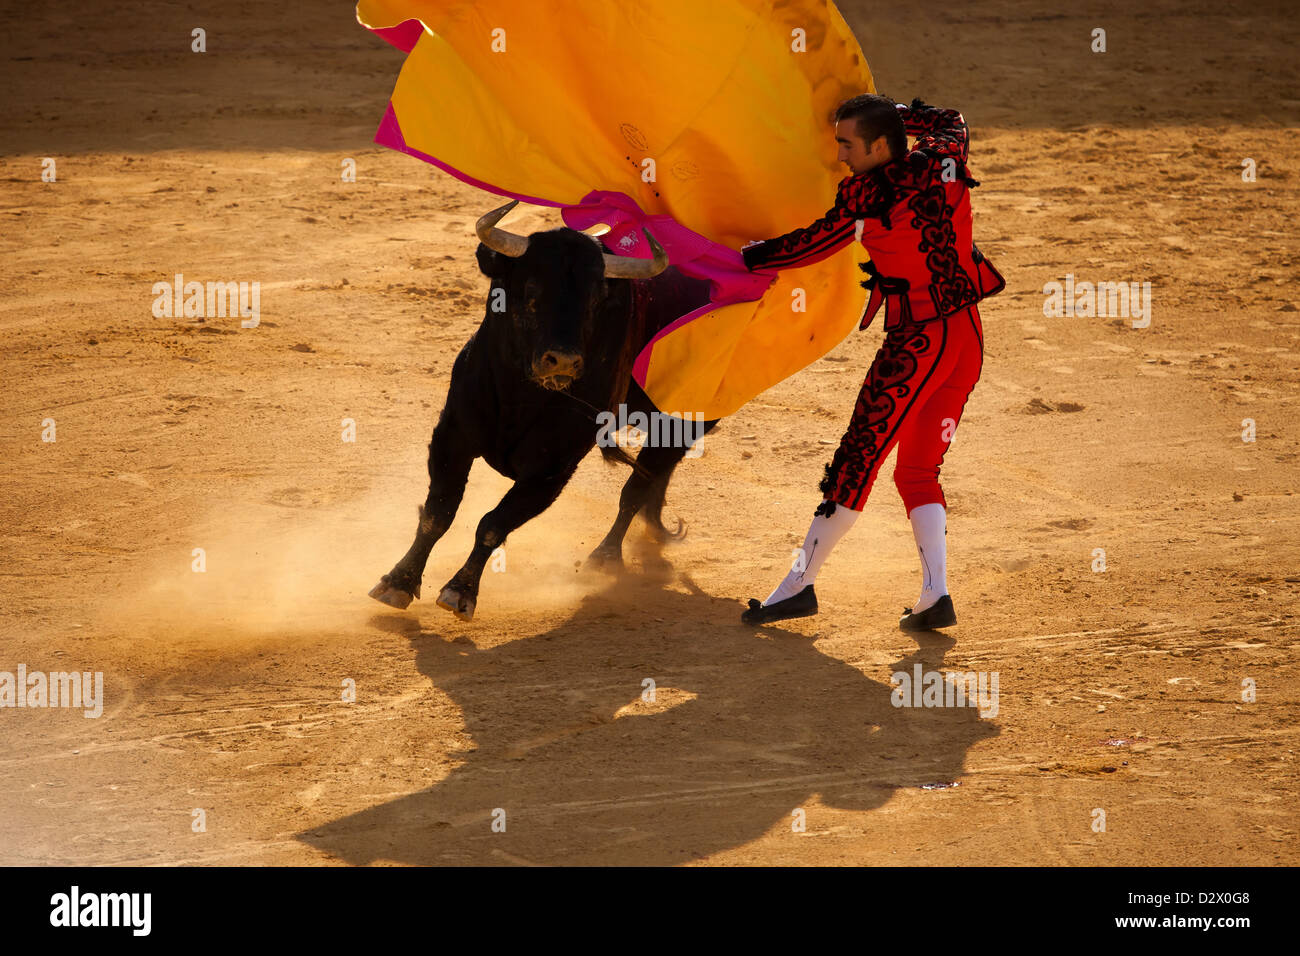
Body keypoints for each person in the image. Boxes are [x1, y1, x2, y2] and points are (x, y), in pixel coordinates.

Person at [738, 94, 1005, 631]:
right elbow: (951, 117)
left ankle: (797, 586)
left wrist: (744, 256)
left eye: (846, 143)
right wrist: (892, 112)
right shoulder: (945, 155)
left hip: (918, 344)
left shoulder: (865, 197)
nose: (839, 155)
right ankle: (936, 597)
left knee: (857, 460)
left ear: (878, 146)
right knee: (918, 471)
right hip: (968, 337)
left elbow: (806, 247)